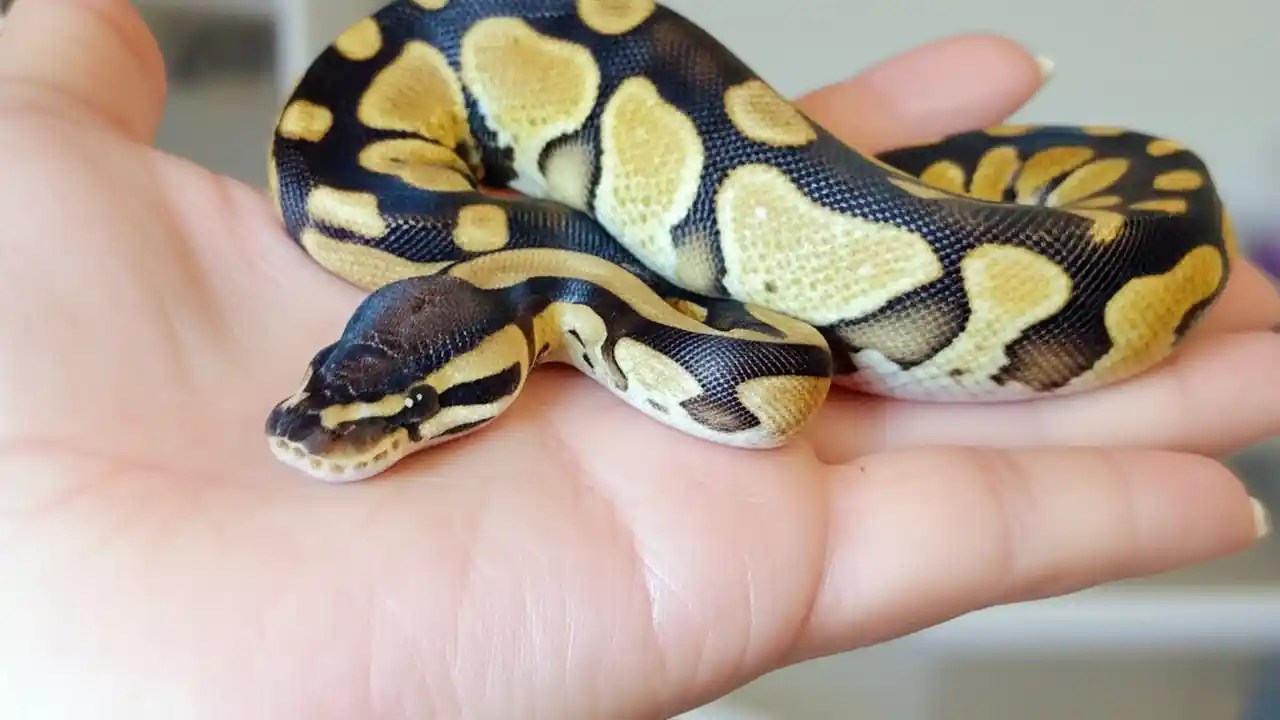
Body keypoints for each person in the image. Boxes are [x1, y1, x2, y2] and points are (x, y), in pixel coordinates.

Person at [0, 0, 1275, 717]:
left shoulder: (556, 299)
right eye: (373, 402)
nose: (334, 428)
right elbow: (747, 385)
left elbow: (756, 388)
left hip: (1073, 239)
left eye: (399, 406)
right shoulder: (520, 287)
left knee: (1144, 219)